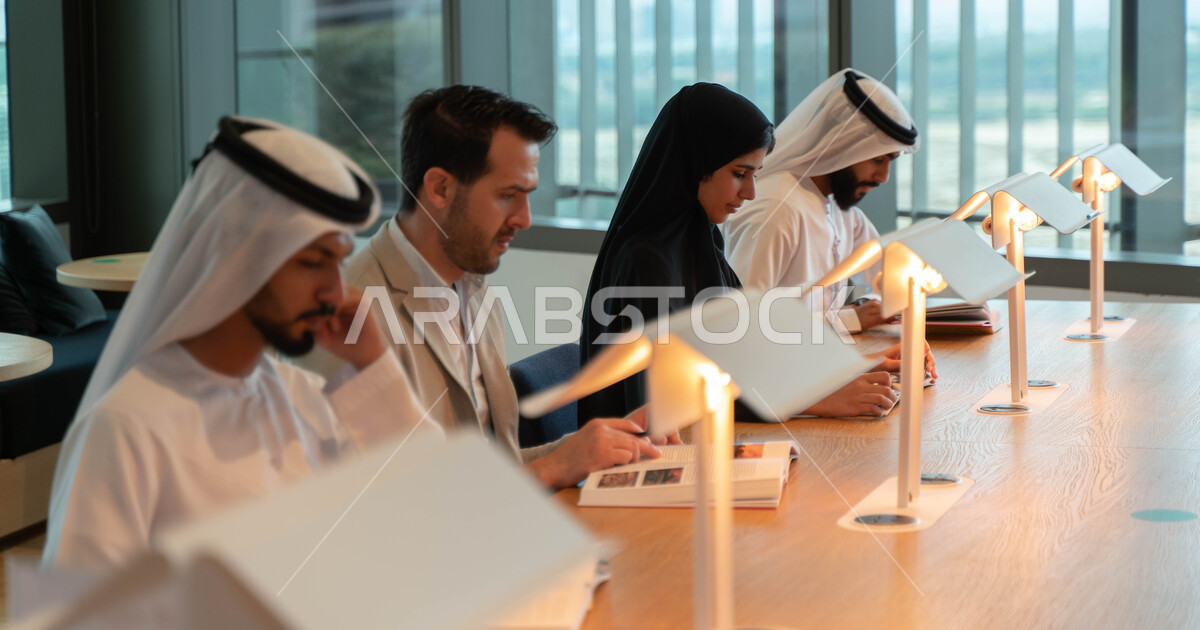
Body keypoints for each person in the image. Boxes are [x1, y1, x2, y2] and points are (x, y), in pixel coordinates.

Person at [43, 116, 439, 569]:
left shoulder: (305, 397)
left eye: (339, 262)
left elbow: (430, 498)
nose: (336, 291)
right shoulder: (126, 426)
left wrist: (374, 364)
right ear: (236, 259)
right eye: (313, 262)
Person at [313, 85, 665, 491]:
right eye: (507, 196)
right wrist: (552, 468)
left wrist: (587, 449)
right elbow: (382, 503)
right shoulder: (348, 318)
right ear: (440, 189)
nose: (525, 219)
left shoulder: (474, 289)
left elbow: (493, 468)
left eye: (528, 196)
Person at [579, 83, 905, 425]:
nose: (750, 192)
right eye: (739, 174)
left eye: (754, 175)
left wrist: (838, 372)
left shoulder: (700, 238)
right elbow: (670, 398)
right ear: (696, 163)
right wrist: (809, 397)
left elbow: (746, 347)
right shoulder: (646, 260)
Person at [726, 69, 921, 333]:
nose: (884, 177)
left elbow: (887, 273)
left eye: (890, 162)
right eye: (878, 159)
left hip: (824, 365)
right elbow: (746, 322)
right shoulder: (777, 207)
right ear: (843, 144)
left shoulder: (839, 207)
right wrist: (850, 319)